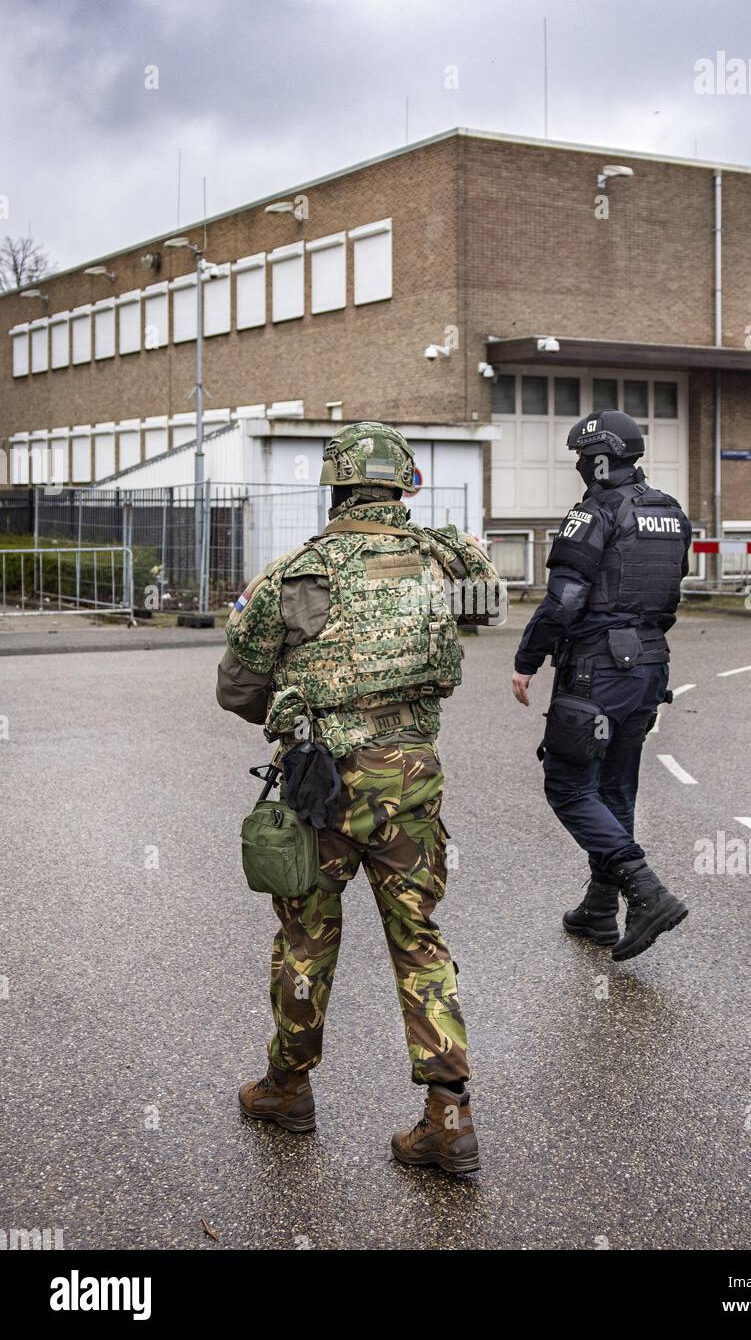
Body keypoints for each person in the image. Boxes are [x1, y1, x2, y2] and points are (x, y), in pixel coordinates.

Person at [217, 421, 503, 1173]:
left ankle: (286, 1088)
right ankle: (449, 1116)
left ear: (335, 486)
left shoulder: (295, 574)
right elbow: (487, 604)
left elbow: (236, 690)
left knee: (307, 936)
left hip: (324, 781)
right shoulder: (443, 561)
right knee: (418, 937)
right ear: (404, 485)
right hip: (412, 774)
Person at [511, 408, 691, 961]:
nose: (580, 469)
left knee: (566, 785)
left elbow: (565, 600)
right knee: (615, 789)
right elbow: (669, 594)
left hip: (597, 669)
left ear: (600, 460)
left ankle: (645, 889)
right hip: (650, 667)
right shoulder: (671, 512)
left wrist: (528, 657)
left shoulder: (592, 515)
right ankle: (598, 909)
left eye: (582, 459)